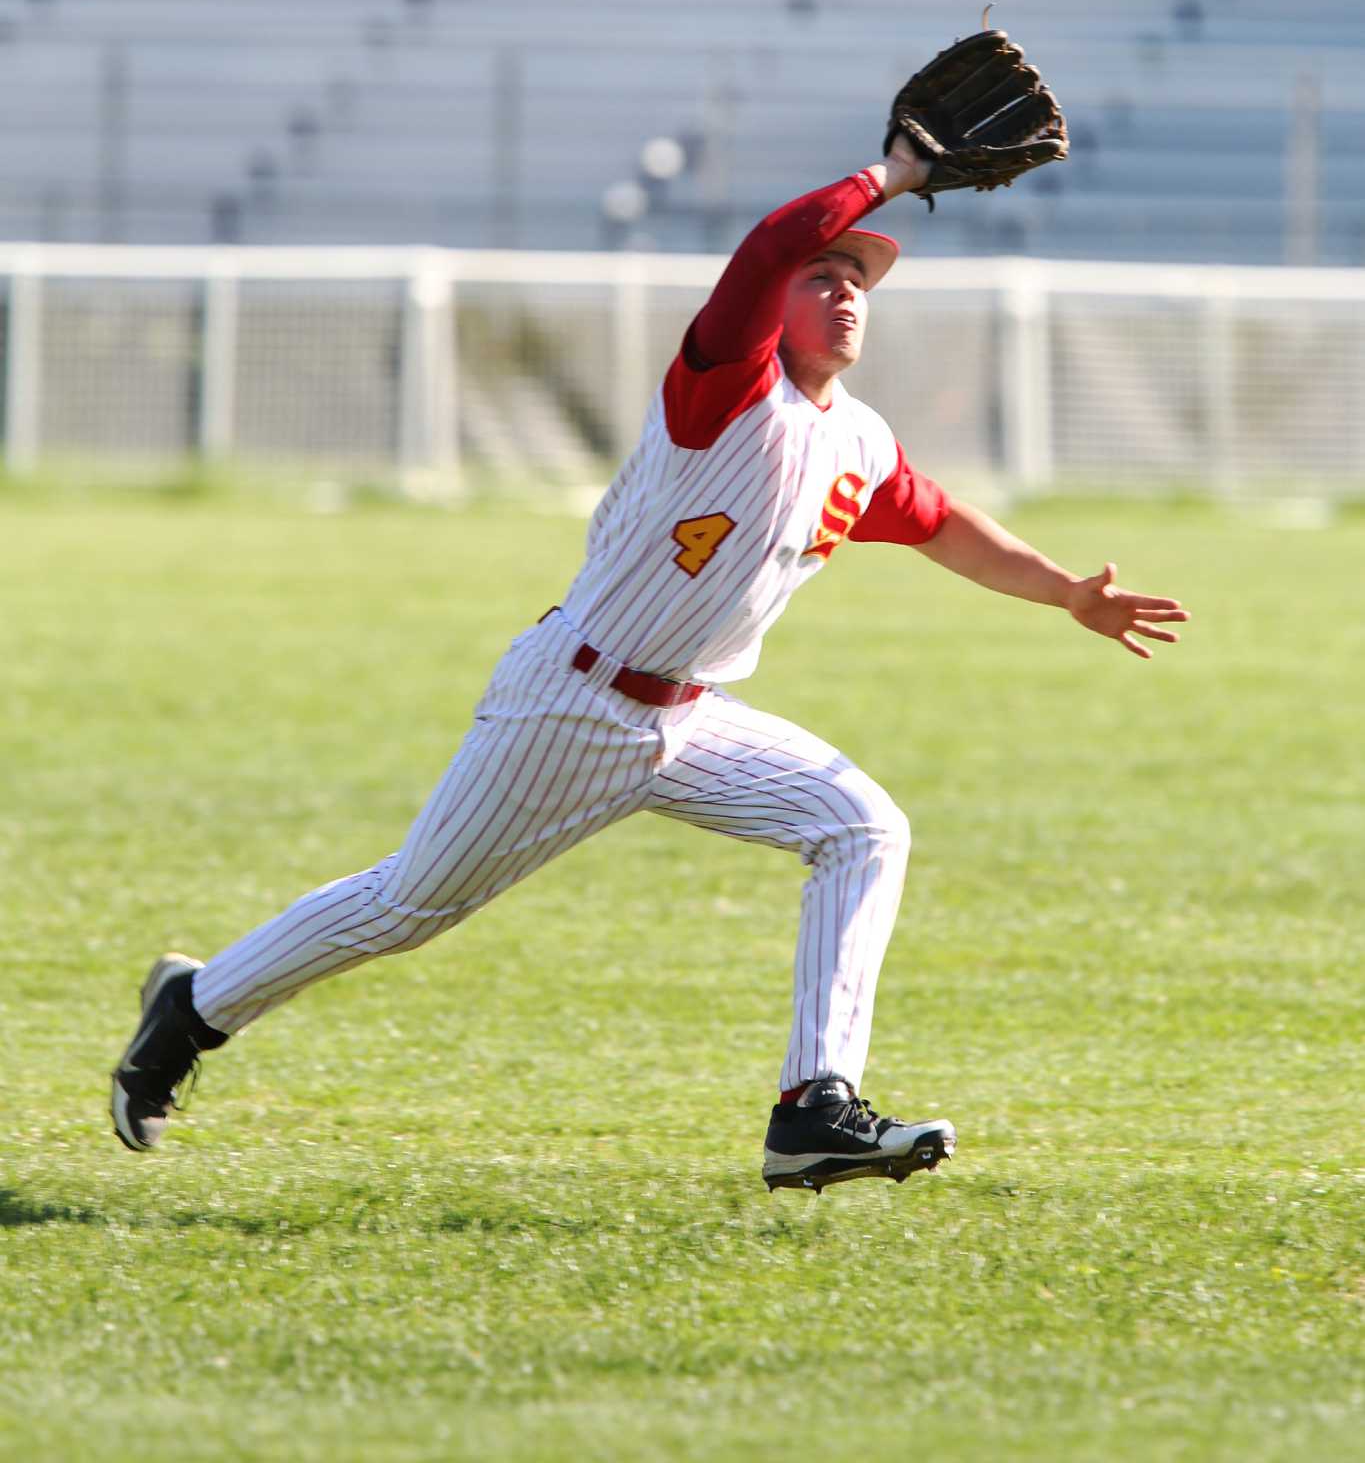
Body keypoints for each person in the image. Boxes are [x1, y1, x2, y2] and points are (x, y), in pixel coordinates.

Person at [110, 134, 1188, 1193]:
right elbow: (765, 247)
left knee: (863, 826)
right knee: (407, 907)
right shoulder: (722, 388)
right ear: (777, 302)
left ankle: (814, 1108)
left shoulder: (856, 439)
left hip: (690, 717)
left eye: (859, 280)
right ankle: (194, 1009)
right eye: (824, 275)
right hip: (571, 703)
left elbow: (941, 523)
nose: (845, 293)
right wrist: (891, 176)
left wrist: (1067, 592)